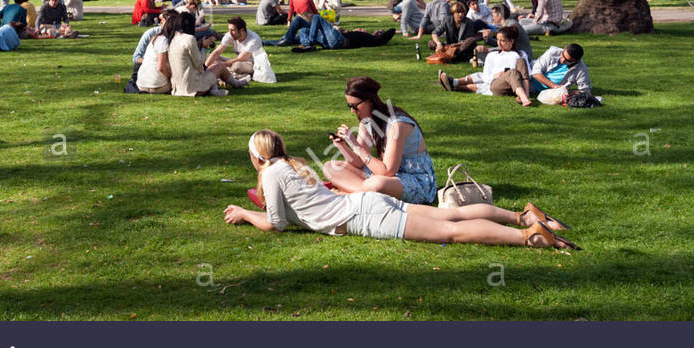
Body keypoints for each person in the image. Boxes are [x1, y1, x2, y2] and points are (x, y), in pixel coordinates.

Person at [227, 130, 575, 248]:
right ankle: (522, 215)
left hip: (364, 217)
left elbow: (276, 222)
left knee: (449, 232)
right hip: (367, 202)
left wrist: (245, 213)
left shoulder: (272, 174)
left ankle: (531, 236)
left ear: (258, 157)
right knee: (450, 215)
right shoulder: (295, 165)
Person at [324, 76, 436, 203]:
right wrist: (343, 145)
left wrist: (356, 146)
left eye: (355, 106)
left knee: (376, 184)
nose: (352, 111)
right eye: (349, 106)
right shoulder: (367, 122)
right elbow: (360, 162)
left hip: (415, 180)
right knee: (330, 167)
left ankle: (350, 194)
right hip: (386, 176)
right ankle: (361, 194)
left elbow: (387, 171)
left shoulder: (397, 125)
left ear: (370, 101)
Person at [440, 26, 534, 106]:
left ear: (511, 41)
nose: (499, 43)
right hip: (497, 84)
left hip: (515, 85)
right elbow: (486, 78)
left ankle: (525, 95)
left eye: (503, 40)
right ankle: (524, 98)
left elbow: (526, 75)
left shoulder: (520, 54)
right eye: (497, 40)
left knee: (520, 63)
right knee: (509, 73)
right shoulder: (492, 55)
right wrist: (496, 76)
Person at [168, 11, 228, 96]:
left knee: (212, 68)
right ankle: (237, 84)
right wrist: (204, 47)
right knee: (220, 66)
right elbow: (199, 64)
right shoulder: (189, 39)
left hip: (177, 88)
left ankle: (220, 87)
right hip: (194, 88)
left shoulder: (173, 39)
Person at [205, 16, 275, 86]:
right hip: (237, 61)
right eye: (229, 30)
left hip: (253, 64)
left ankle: (228, 74)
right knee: (210, 57)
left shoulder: (254, 40)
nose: (230, 33)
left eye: (232, 30)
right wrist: (205, 67)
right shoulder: (230, 35)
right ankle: (230, 74)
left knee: (236, 66)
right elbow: (217, 52)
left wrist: (218, 66)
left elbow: (240, 59)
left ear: (241, 30)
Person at [135, 9, 176, 93]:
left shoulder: (156, 37)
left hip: (141, 83)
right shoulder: (163, 40)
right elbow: (161, 67)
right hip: (156, 85)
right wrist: (170, 75)